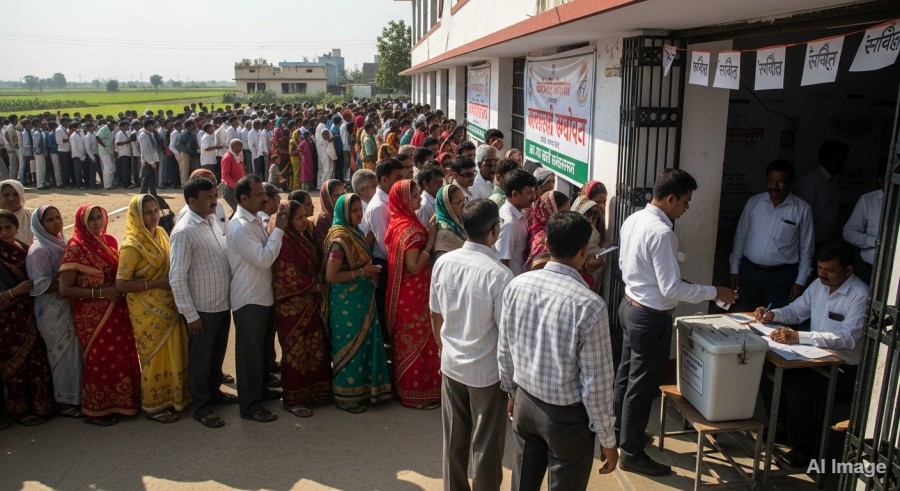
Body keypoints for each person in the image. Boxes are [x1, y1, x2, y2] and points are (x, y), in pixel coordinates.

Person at [615, 169, 736, 476]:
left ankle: (620, 433)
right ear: (670, 199)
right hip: (649, 317)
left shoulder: (634, 219)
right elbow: (671, 289)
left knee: (627, 378)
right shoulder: (661, 232)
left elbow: (637, 269)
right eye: (685, 201)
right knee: (641, 388)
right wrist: (714, 292)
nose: (686, 208)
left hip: (630, 306)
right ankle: (630, 450)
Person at [498, 212, 619, 489]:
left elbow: (504, 350)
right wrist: (607, 439)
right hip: (566, 420)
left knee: (522, 484)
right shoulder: (589, 305)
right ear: (583, 250)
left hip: (526, 404)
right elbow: (597, 384)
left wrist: (511, 393)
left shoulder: (517, 285)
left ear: (547, 243)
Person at [754, 241, 867, 465]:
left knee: (799, 391)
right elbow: (797, 311)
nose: (822, 275)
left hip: (846, 368)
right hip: (815, 358)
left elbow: (848, 338)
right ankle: (784, 427)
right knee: (766, 369)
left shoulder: (860, 295)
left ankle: (804, 451)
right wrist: (772, 314)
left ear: (848, 270)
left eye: (829, 270)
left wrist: (800, 337)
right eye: (820, 269)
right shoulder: (818, 285)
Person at [430, 199, 513, 490]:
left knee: (454, 440)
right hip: (486, 373)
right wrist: (512, 382)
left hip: (452, 364)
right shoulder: (500, 275)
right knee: (486, 446)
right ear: (494, 231)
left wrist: (443, 350)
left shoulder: (443, 262)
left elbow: (435, 313)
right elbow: (507, 336)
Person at [59, 204, 142, 426]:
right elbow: (65, 289)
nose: (96, 222)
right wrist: (101, 293)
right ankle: (98, 410)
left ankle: (126, 403)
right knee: (100, 359)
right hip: (93, 315)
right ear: (82, 222)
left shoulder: (110, 242)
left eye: (99, 217)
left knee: (121, 355)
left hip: (117, 309)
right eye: (91, 219)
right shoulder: (75, 248)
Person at [116, 195, 190, 423]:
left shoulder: (161, 233)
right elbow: (121, 285)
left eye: (155, 210)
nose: (153, 216)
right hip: (146, 310)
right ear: (137, 216)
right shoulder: (131, 246)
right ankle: (153, 405)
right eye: (147, 212)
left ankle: (178, 397)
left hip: (170, 303)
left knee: (176, 349)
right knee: (154, 356)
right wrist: (156, 284)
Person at [170, 176, 237, 429]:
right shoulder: (184, 231)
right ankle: (201, 407)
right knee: (200, 361)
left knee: (216, 357)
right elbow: (176, 278)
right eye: (208, 198)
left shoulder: (210, 220)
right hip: (202, 309)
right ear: (192, 201)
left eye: (214, 196)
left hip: (221, 304)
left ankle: (215, 392)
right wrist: (191, 315)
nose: (215, 201)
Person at [324, 193, 392, 413]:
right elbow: (332, 276)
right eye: (354, 211)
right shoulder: (339, 239)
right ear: (343, 213)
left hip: (362, 297)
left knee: (366, 344)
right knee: (350, 346)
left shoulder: (355, 232)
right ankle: (346, 397)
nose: (359, 214)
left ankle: (366, 391)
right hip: (347, 303)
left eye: (359, 210)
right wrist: (365, 271)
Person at [227, 175, 286, 423]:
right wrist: (280, 229)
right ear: (244, 198)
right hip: (249, 298)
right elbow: (263, 259)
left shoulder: (253, 220)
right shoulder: (240, 226)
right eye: (260, 194)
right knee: (249, 355)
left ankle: (260, 392)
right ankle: (249, 405)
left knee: (262, 352)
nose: (265, 197)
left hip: (262, 296)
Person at [273, 195, 332, 417]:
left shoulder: (302, 236)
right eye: (298, 218)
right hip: (292, 306)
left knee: (315, 347)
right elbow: (287, 277)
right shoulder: (285, 242)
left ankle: (318, 392)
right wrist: (316, 285)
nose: (303, 221)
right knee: (296, 352)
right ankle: (293, 398)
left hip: (311, 302)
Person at [730, 160, 814, 312]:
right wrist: (734, 269)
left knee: (776, 320)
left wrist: (801, 280)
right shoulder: (754, 203)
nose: (774, 186)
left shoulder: (802, 209)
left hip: (782, 277)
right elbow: (740, 236)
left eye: (780, 182)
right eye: (770, 181)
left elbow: (806, 248)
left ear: (790, 183)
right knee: (744, 316)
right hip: (750, 273)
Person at [385, 179, 440, 409]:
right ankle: (417, 394)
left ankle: (408, 390)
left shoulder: (397, 223)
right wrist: (431, 239)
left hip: (407, 295)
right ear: (404, 200)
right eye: (415, 196)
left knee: (410, 342)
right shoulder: (410, 229)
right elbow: (415, 266)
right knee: (418, 342)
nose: (419, 199)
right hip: (413, 296)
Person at [26, 206, 83, 418]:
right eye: (50, 220)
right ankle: (64, 401)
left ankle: (76, 396)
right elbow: (39, 285)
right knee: (61, 354)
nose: (57, 222)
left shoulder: (61, 242)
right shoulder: (39, 250)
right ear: (40, 225)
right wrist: (66, 283)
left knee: (74, 352)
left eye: (58, 217)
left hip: (66, 306)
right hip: (51, 311)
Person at [0, 209, 54, 426]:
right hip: (8, 321)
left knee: (35, 360)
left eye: (8, 227)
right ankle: (18, 409)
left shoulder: (23, 248)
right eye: (0, 229)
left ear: (17, 228)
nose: (4, 232)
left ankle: (40, 404)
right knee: (15, 366)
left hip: (30, 315)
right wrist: (16, 291)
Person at [361, 158, 405, 333]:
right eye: (397, 177)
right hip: (387, 264)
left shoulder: (392, 200)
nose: (400, 182)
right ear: (384, 179)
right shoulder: (379, 207)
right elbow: (386, 246)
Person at [794, 140, 851, 249]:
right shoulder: (811, 181)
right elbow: (801, 215)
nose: (843, 163)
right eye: (838, 160)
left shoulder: (836, 179)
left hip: (830, 240)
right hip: (812, 242)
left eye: (844, 160)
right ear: (825, 159)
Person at [843, 160, 886, 285]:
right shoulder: (868, 200)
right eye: (886, 181)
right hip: (869, 268)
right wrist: (874, 241)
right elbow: (848, 232)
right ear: (880, 180)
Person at [495, 169, 536, 276]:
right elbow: (503, 261)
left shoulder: (519, 213)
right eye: (529, 193)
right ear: (515, 194)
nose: (533, 197)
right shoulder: (510, 223)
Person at [526, 191, 570, 269]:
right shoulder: (542, 237)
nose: (568, 216)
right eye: (563, 212)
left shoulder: (554, 231)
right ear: (549, 211)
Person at [0, 180, 33, 245]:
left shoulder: (33, 216)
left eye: (16, 194)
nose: (11, 199)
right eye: (6, 195)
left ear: (21, 195)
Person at [315, 179, 345, 247]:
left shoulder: (347, 212)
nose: (341, 198)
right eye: (336, 195)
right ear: (327, 198)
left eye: (343, 194)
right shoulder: (324, 220)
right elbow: (321, 245)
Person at [220, 139, 245, 215]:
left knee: (239, 211)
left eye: (241, 147)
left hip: (237, 188)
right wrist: (235, 186)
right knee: (240, 211)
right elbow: (225, 175)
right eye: (238, 147)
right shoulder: (227, 157)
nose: (240, 149)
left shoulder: (238, 155)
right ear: (232, 147)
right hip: (229, 189)